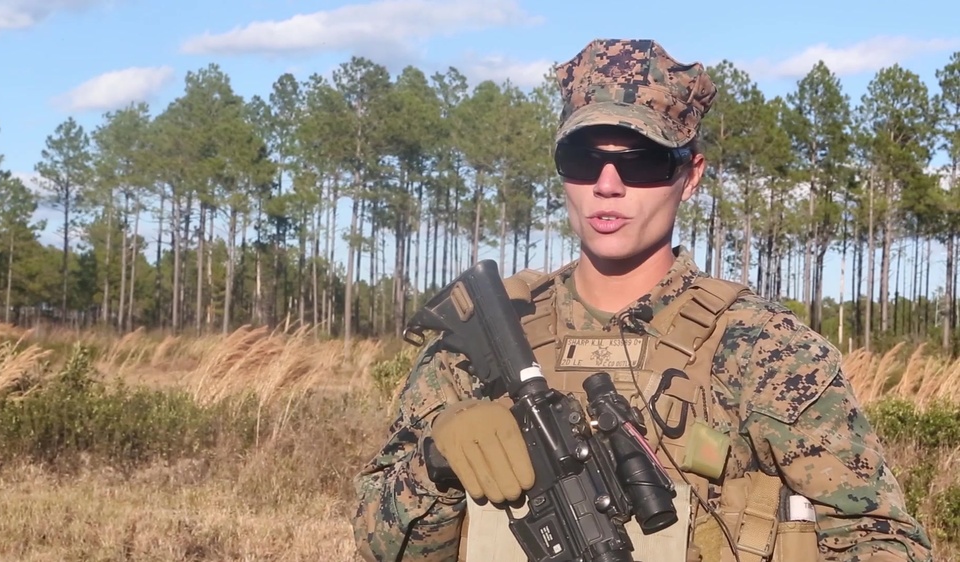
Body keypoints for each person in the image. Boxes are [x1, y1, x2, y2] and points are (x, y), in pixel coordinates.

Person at [351, 38, 933, 562]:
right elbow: (380, 545)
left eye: (643, 162)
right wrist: (436, 463)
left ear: (691, 175)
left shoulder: (764, 350)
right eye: (584, 160)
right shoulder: (489, 335)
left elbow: (882, 540)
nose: (608, 185)